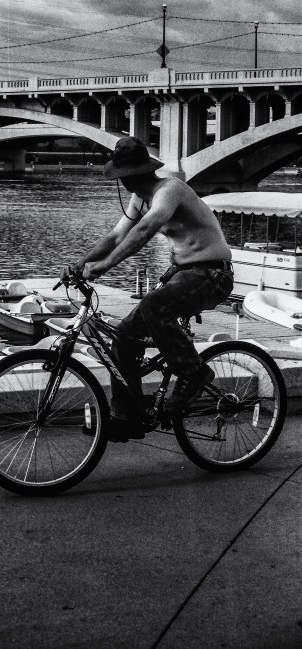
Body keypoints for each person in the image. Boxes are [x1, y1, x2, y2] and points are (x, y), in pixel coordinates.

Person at [66, 136, 234, 443]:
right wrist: (80, 264)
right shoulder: (139, 199)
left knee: (154, 306)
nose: (122, 181)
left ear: (130, 175)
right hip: (183, 274)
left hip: (212, 274)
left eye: (123, 175)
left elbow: (145, 230)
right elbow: (116, 236)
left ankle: (194, 373)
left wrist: (105, 266)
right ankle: (126, 417)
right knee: (123, 339)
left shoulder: (170, 190)